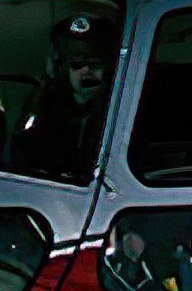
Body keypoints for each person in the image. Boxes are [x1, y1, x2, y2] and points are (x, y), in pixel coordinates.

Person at [7, 11, 118, 181]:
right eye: (77, 63)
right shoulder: (44, 112)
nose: (86, 70)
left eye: (95, 62)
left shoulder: (122, 111)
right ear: (61, 67)